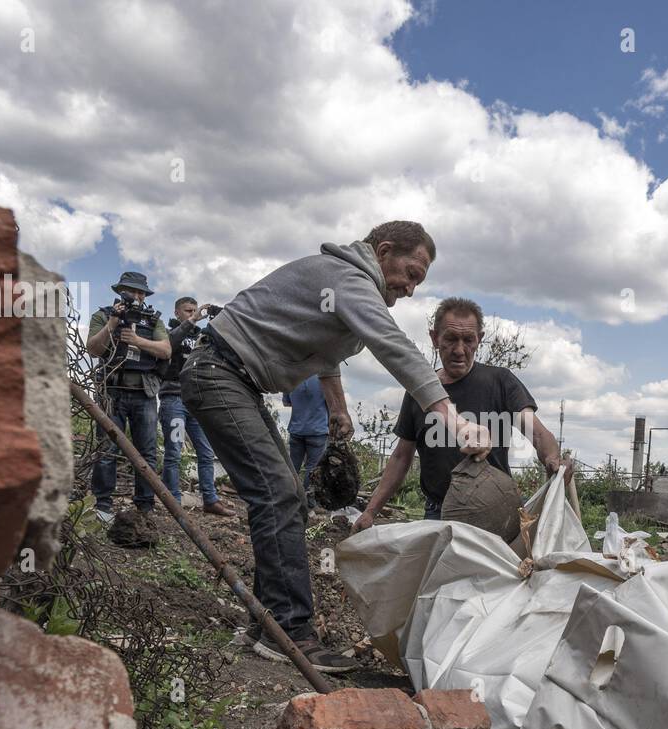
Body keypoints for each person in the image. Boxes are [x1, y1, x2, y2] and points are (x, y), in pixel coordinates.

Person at [181, 221, 491, 673]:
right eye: (410, 274)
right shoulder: (348, 278)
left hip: (235, 381)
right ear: (383, 251)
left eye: (419, 282)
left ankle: (266, 622)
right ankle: (289, 633)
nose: (409, 288)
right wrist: (450, 416)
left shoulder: (344, 287)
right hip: (217, 373)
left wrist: (338, 408)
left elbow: (323, 357)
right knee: (279, 495)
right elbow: (392, 344)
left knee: (286, 496)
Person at [354, 297, 566, 530]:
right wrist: (370, 512)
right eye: (450, 339)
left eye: (468, 340)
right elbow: (401, 457)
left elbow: (536, 432)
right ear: (435, 338)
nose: (459, 350)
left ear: (480, 340)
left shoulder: (500, 382)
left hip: (494, 513)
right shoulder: (420, 392)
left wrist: (552, 458)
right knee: (437, 567)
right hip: (438, 513)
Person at [85, 271, 171, 522]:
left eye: (141, 292)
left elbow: (166, 351)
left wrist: (136, 340)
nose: (136, 296)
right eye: (132, 291)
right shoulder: (102, 315)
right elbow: (92, 348)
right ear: (120, 291)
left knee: (146, 452)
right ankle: (102, 505)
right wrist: (112, 324)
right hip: (111, 392)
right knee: (107, 449)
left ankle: (145, 506)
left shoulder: (153, 320)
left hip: (143, 393)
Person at [159, 296, 233, 517]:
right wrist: (191, 321)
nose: (193, 313)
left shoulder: (202, 336)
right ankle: (174, 501)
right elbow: (169, 345)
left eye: (194, 310)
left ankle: (210, 500)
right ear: (177, 313)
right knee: (173, 451)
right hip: (173, 399)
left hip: (196, 403)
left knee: (206, 451)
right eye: (187, 310)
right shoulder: (166, 333)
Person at [282, 375, 329, 491]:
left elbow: (286, 403)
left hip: (296, 429)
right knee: (313, 468)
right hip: (318, 431)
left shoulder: (293, 377)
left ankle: (289, 496)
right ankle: (308, 500)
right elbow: (331, 404)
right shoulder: (324, 377)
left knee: (292, 467)